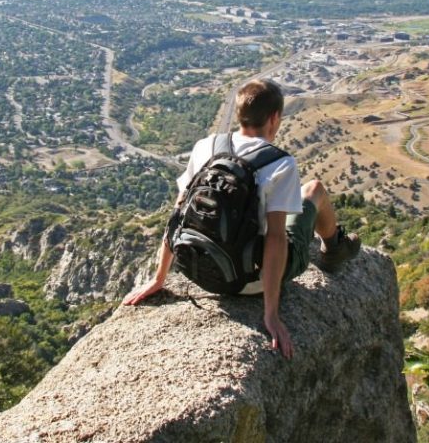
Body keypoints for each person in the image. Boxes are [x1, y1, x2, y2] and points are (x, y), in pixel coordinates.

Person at [122, 79, 360, 359]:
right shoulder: (281, 164)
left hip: (201, 272)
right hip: (250, 283)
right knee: (314, 189)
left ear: (238, 115)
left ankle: (331, 247)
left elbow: (179, 213)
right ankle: (334, 249)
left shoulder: (205, 147)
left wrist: (158, 278)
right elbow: (276, 238)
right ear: (274, 118)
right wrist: (270, 313)